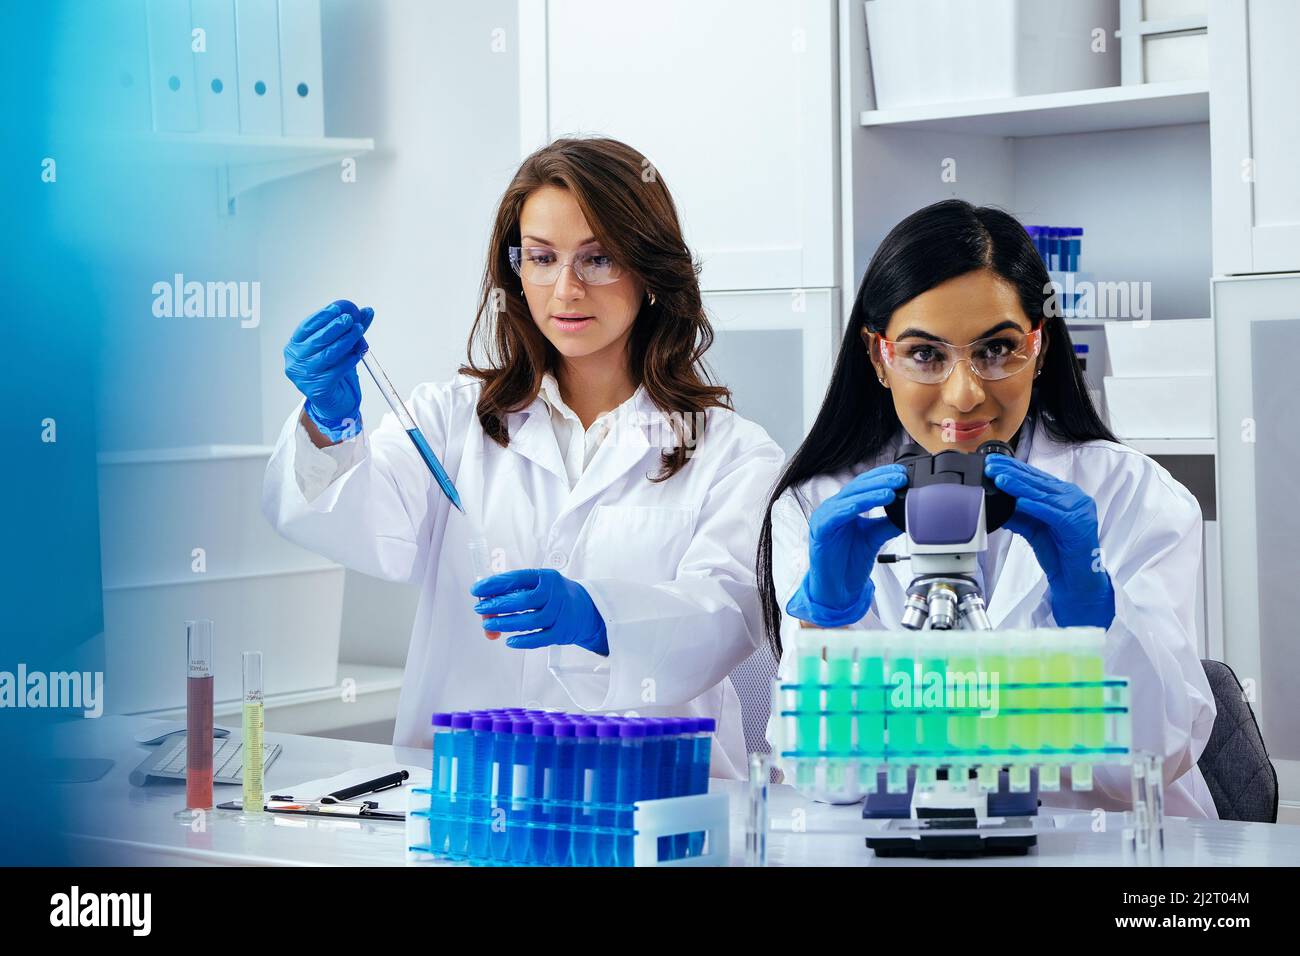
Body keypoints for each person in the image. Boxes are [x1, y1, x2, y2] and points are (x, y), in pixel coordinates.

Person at [264, 136, 783, 778]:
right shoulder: (451, 420)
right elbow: (371, 534)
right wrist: (329, 423)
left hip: (647, 805)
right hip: (471, 797)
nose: (565, 288)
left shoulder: (732, 453)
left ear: (650, 272)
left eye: (598, 259)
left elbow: (729, 614)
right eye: (541, 257)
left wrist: (597, 617)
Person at [758, 199, 1217, 817]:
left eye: (998, 349)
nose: (965, 392)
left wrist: (1093, 612)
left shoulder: (1132, 495)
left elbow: (1155, 759)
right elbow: (829, 778)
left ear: (1040, 346)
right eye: (925, 354)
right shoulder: (818, 507)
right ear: (879, 358)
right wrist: (828, 625)